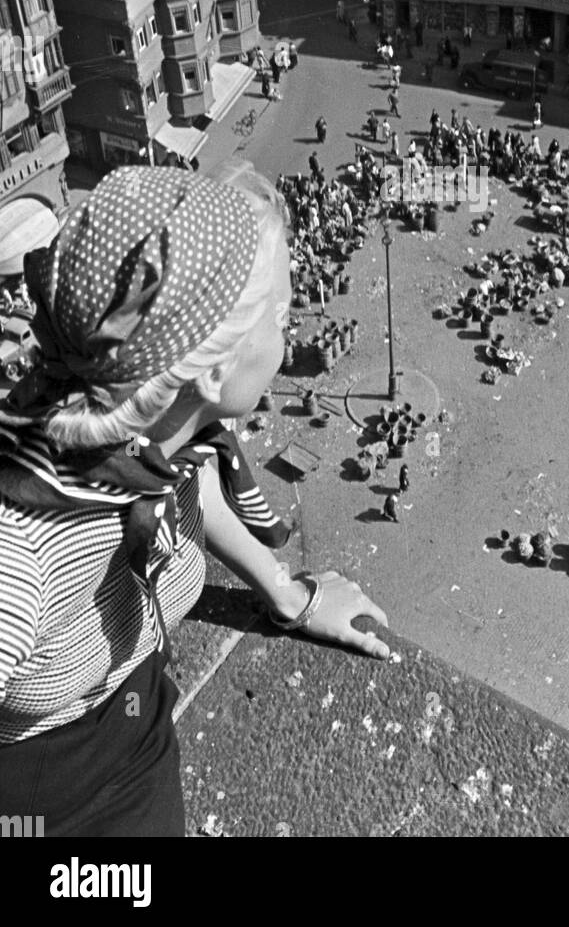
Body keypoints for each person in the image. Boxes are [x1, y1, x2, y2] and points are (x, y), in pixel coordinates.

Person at [0, 164, 389, 837]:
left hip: (134, 703)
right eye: (277, 313)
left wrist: (289, 594)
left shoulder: (145, 419)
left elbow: (195, 488)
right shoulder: (20, 556)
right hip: (49, 789)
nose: (287, 333)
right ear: (211, 369)